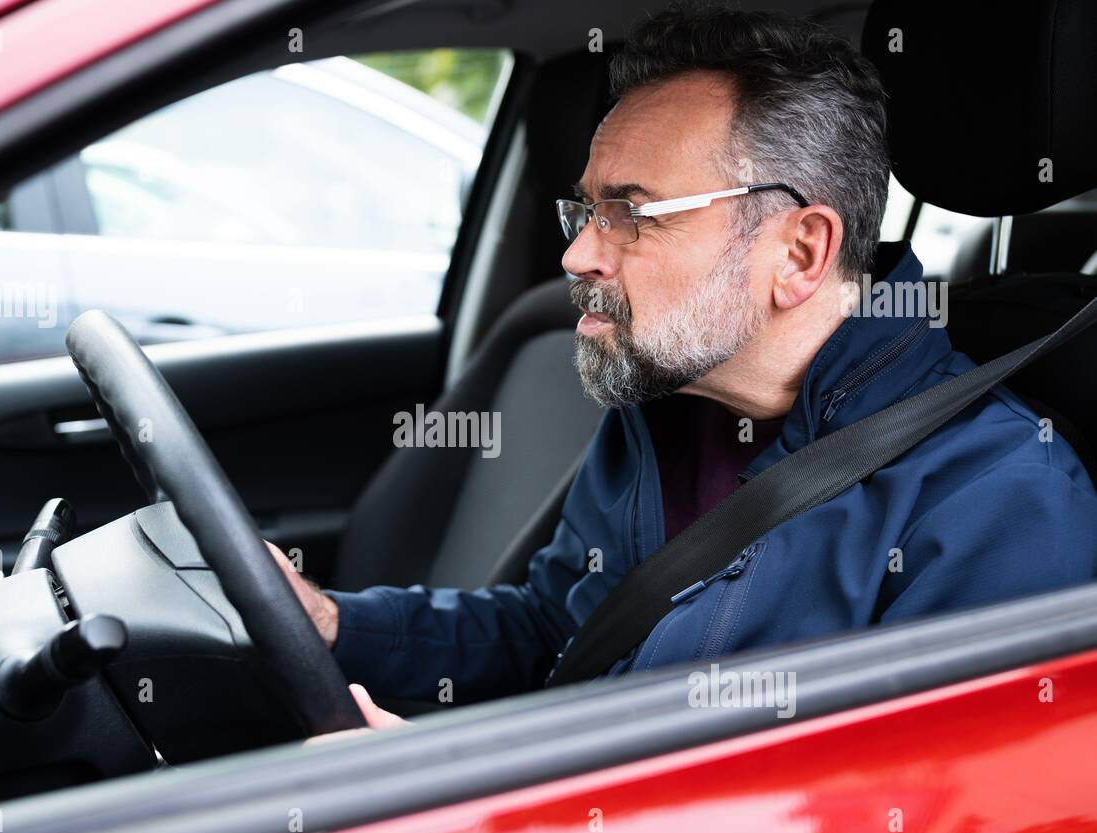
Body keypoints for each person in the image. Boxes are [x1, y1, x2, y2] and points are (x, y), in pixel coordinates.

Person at [271, 4, 1097, 721]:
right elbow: (561, 634)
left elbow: (918, 832)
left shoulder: (1000, 502)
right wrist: (338, 626)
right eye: (586, 210)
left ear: (802, 252)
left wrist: (473, 815)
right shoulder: (667, 402)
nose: (579, 255)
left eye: (633, 214)